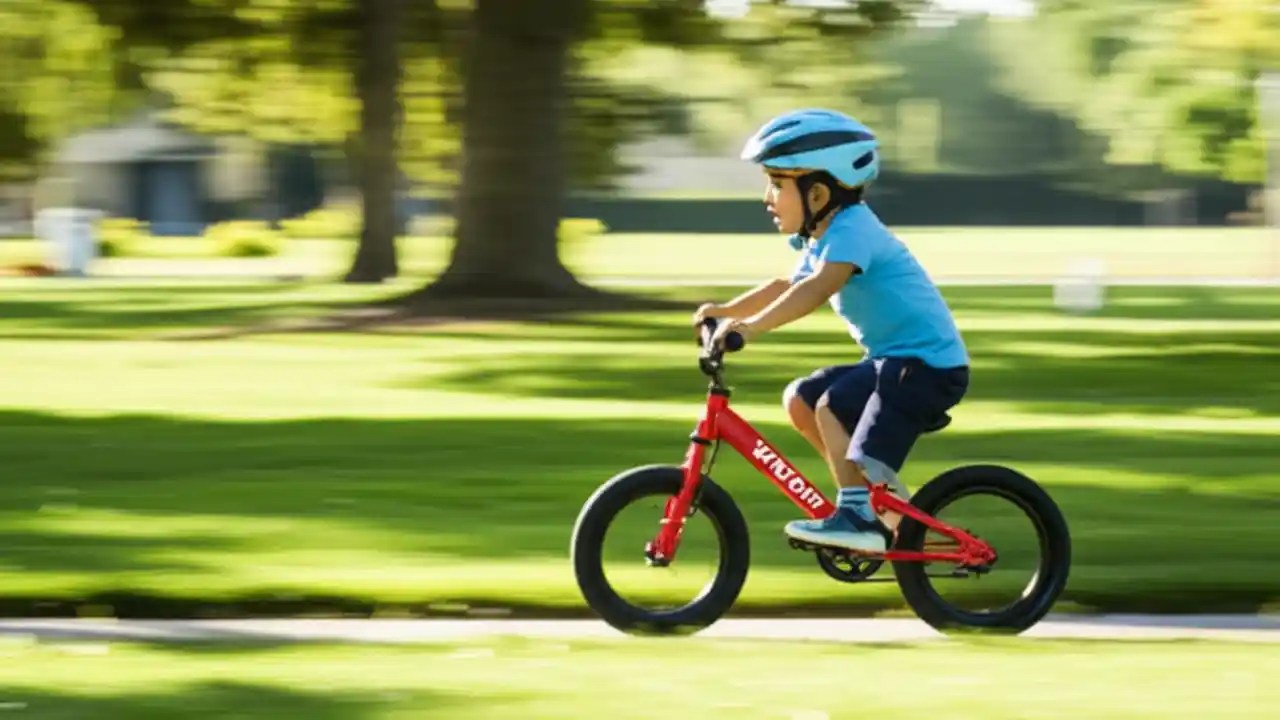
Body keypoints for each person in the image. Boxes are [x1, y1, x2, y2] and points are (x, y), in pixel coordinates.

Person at [694, 108, 970, 553]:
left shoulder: (854, 230)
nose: (768, 197)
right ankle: (869, 503)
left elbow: (818, 289)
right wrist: (726, 309)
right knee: (802, 399)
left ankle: (857, 513)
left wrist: (751, 328)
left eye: (778, 184)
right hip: (894, 362)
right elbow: (789, 284)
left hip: (927, 367)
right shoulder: (827, 234)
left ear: (818, 193)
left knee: (832, 406)